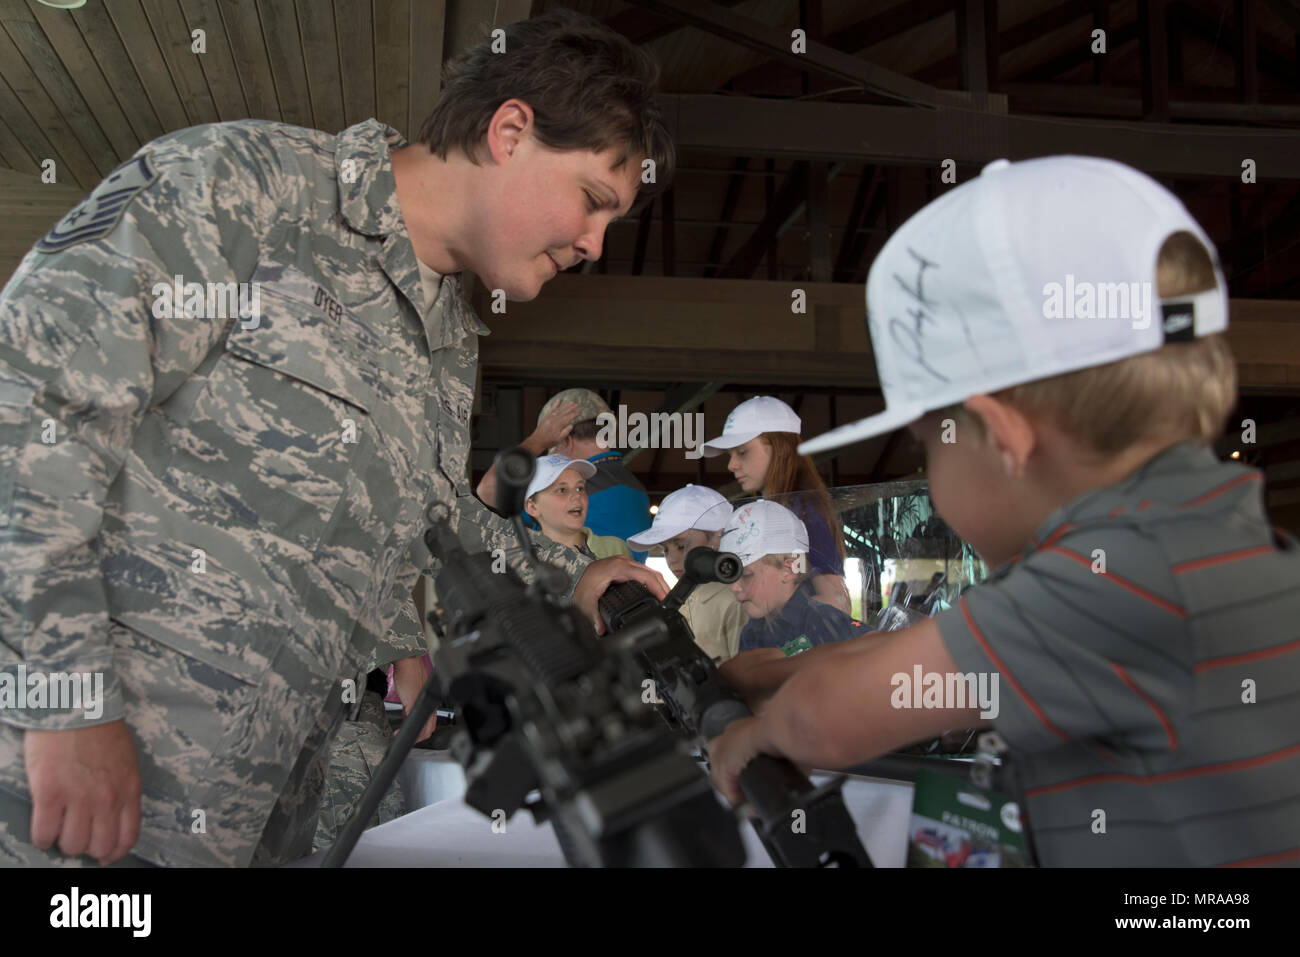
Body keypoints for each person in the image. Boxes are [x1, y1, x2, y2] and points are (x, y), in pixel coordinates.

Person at [0, 9, 670, 868]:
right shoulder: (245, 186)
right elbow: (31, 406)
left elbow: (429, 543)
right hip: (71, 801)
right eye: (593, 201)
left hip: (255, 816)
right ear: (510, 131)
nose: (594, 244)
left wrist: (579, 582)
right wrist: (67, 700)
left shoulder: (448, 338)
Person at [708, 156, 1300, 867]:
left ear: (1003, 437)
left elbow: (832, 712)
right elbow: (928, 648)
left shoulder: (1117, 578)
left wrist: (752, 734)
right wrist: (766, 675)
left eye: (932, 444)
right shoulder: (1201, 533)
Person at [700, 396, 851, 614]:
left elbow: (836, 600)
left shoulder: (802, 511)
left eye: (742, 452)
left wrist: (785, 641)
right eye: (730, 454)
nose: (731, 465)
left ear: (780, 449)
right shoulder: (784, 510)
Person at [477, 388, 652, 560]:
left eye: (550, 449)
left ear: (565, 440)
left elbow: (488, 490)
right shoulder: (636, 489)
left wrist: (538, 440)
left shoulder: (563, 489)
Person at [720, 500, 862, 655]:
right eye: (730, 575)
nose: (734, 587)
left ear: (789, 569)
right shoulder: (751, 632)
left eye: (746, 575)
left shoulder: (825, 625)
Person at [626, 484, 746, 662]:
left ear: (719, 538)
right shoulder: (677, 600)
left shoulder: (737, 601)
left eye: (681, 546)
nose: (672, 559)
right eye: (664, 550)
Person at [524, 454, 632, 560]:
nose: (577, 495)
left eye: (580, 488)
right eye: (562, 490)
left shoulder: (615, 549)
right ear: (533, 508)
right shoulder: (521, 557)